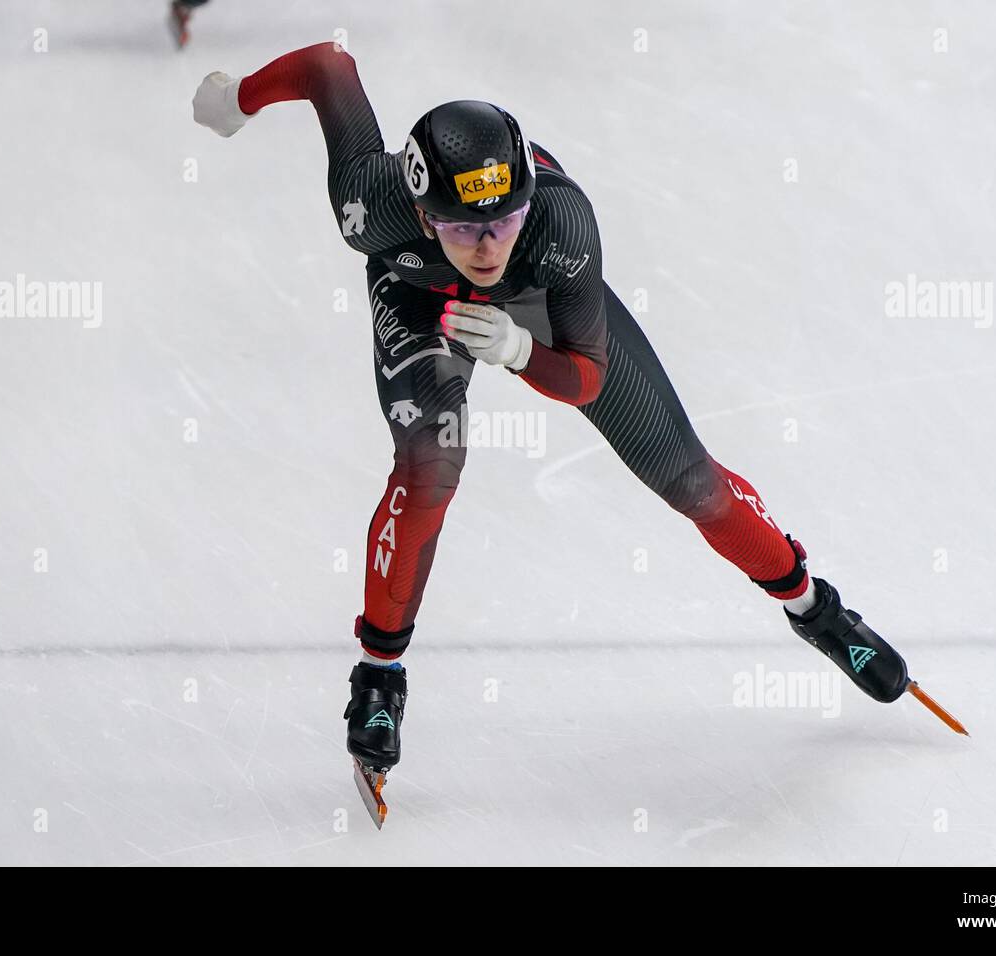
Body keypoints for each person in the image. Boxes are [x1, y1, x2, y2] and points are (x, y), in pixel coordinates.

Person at [192, 42, 912, 777]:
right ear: (419, 209)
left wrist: (520, 351)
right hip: (419, 298)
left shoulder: (561, 227)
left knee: (692, 483)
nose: (485, 246)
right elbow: (327, 69)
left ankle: (815, 608)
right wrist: (238, 100)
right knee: (429, 469)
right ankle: (379, 674)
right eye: (464, 227)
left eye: (502, 222)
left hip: (537, 305)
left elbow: (589, 380)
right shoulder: (370, 207)